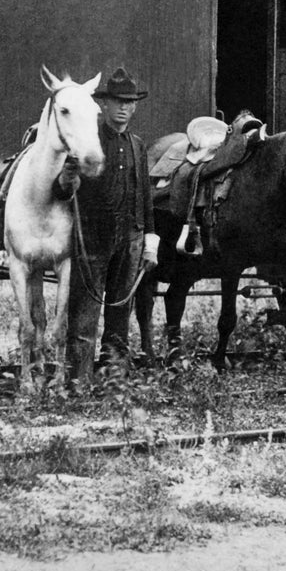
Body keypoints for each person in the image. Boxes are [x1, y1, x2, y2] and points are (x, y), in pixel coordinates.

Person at [68, 67, 157, 378]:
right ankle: (79, 381)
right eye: (117, 102)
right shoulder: (87, 144)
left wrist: (150, 241)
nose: (123, 108)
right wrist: (68, 177)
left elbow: (146, 196)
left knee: (120, 313)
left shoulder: (138, 146)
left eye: (129, 102)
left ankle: (113, 379)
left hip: (130, 241)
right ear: (103, 105)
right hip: (92, 241)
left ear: (134, 107)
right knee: (84, 317)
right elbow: (62, 191)